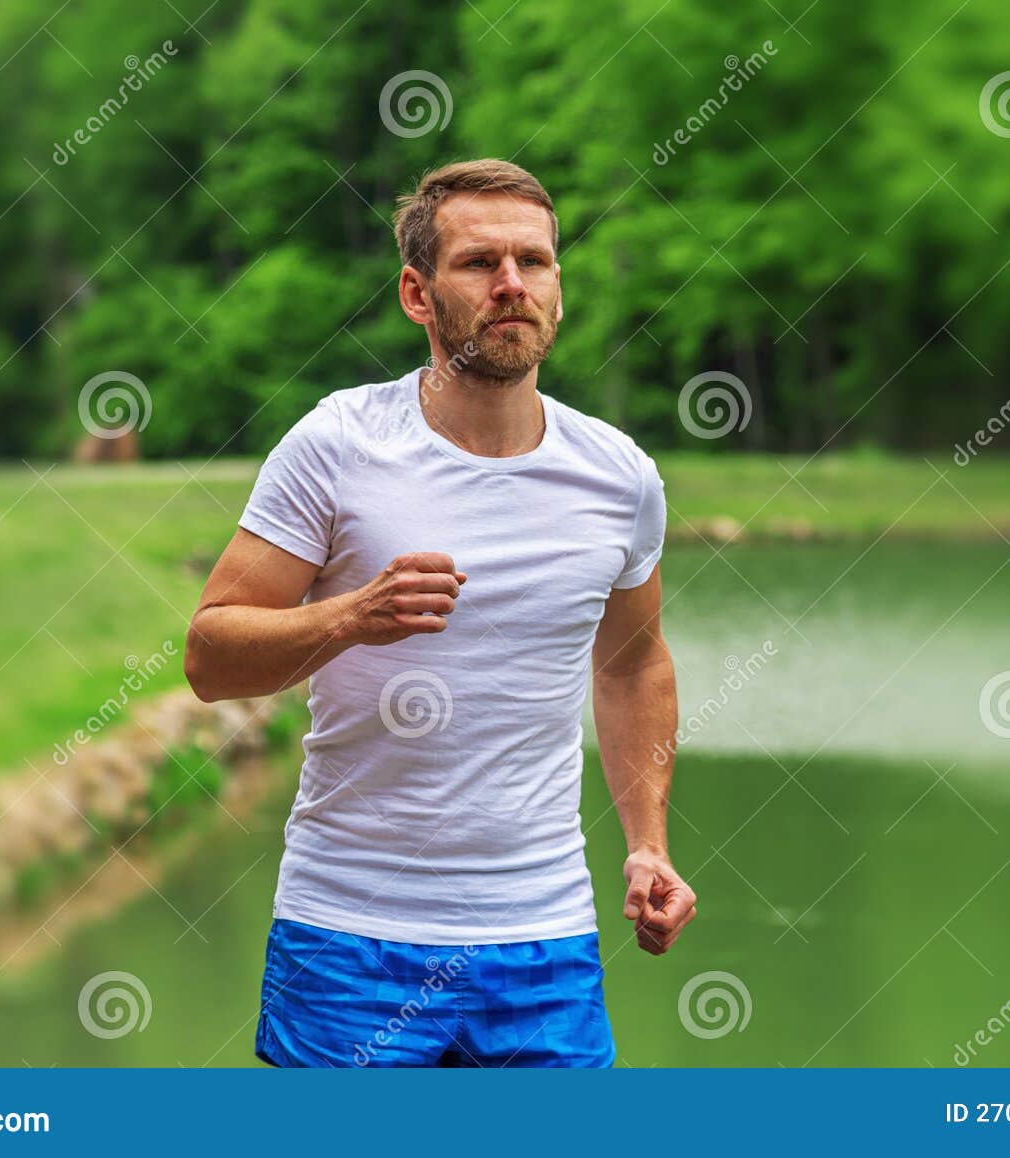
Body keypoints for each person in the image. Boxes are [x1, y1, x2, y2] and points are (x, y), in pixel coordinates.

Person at [185, 158, 696, 1068]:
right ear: (417, 294)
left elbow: (632, 664)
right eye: (479, 263)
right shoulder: (340, 444)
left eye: (534, 262)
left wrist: (648, 845)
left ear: (559, 288)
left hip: (544, 940)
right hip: (348, 938)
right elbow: (210, 655)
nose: (512, 285)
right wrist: (350, 618)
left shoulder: (619, 475)